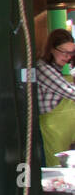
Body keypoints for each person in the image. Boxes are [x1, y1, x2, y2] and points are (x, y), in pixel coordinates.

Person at [36, 30, 75, 167]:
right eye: (64, 51)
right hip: (50, 131)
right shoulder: (43, 69)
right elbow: (71, 92)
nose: (67, 56)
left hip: (61, 133)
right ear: (51, 49)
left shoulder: (57, 71)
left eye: (71, 52)